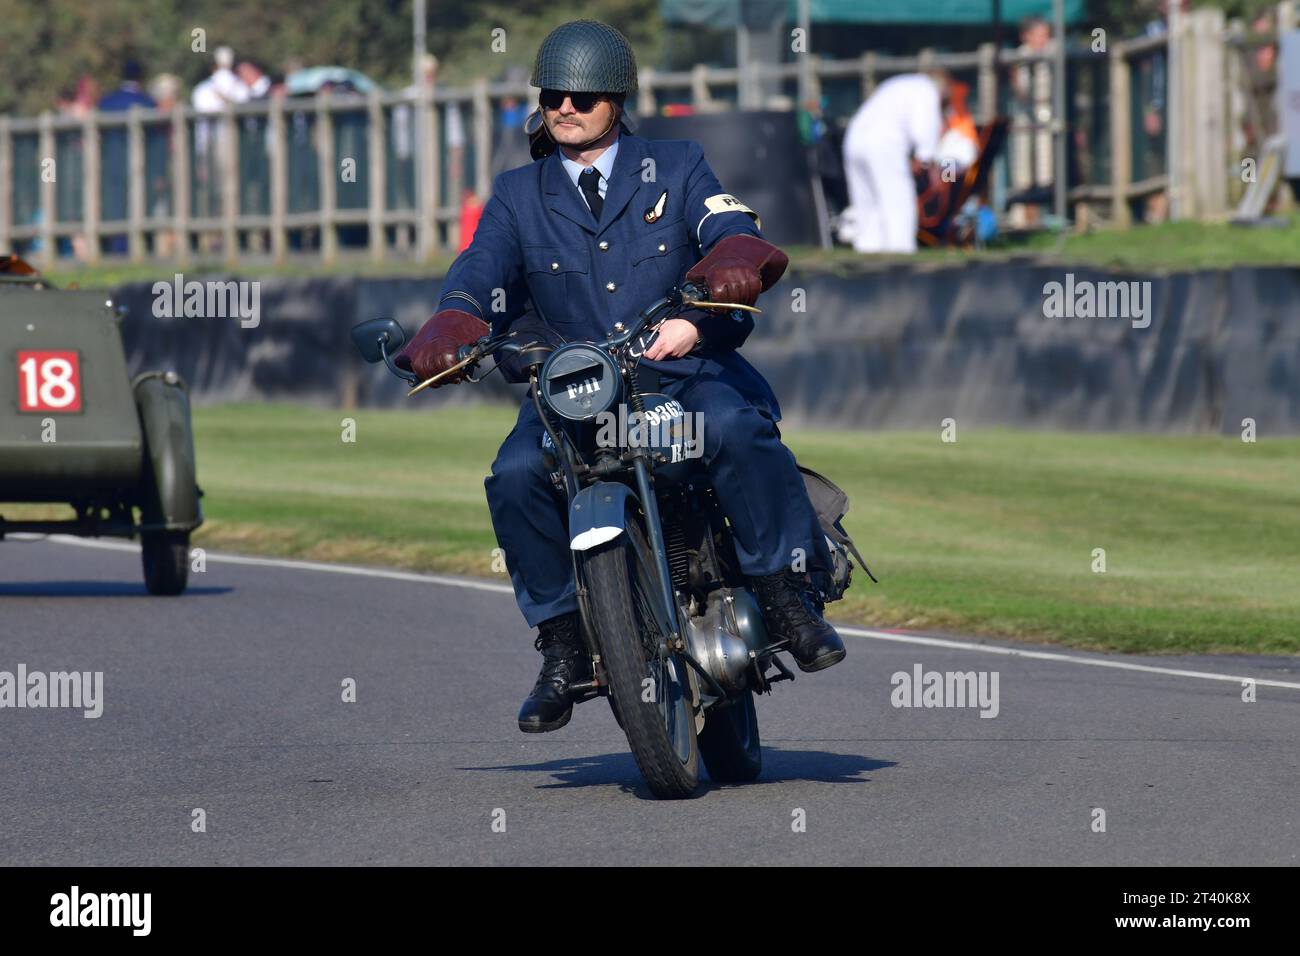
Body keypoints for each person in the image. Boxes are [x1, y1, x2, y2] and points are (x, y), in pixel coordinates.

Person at [394, 19, 847, 735]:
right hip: (572, 390)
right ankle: (564, 644)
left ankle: (783, 593)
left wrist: (713, 293)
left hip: (680, 371)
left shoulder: (677, 164)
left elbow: (727, 226)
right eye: (552, 95)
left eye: (583, 94)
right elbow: (477, 273)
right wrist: (453, 322)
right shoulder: (517, 194)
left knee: (733, 426)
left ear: (616, 99)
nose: (565, 107)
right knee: (513, 475)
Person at [841, 71, 949, 253]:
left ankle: (868, 252)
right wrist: (928, 161)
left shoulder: (899, 83)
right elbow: (925, 129)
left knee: (866, 203)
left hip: (854, 139)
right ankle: (901, 252)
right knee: (898, 201)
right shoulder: (927, 90)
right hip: (885, 142)